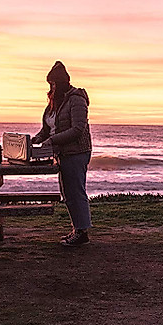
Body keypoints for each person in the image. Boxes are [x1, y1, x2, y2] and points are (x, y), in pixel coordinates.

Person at [31, 61, 92, 247]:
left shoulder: (76, 99)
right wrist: (33, 140)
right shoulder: (53, 104)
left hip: (77, 152)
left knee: (76, 192)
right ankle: (77, 229)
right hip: (62, 153)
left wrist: (53, 140)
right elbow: (46, 130)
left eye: (53, 84)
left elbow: (78, 129)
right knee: (67, 193)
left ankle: (82, 232)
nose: (51, 88)